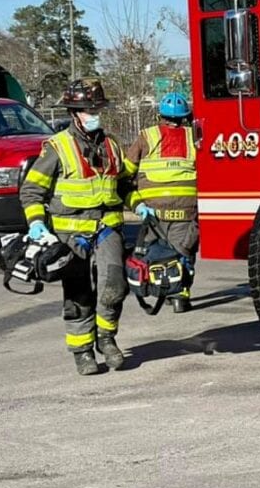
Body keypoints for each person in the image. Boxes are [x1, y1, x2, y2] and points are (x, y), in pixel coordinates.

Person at [20, 78, 130, 375]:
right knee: (77, 293)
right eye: (88, 110)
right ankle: (82, 352)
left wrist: (141, 204)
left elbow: (124, 186)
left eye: (97, 109)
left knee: (115, 286)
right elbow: (32, 190)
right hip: (71, 233)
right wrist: (36, 223)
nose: (94, 115)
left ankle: (106, 338)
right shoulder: (57, 147)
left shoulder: (111, 145)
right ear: (74, 113)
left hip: (107, 228)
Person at [123, 91, 198, 313]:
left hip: (152, 212)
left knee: (154, 254)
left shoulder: (146, 137)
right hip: (186, 210)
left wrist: (135, 202)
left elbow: (126, 172)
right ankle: (180, 296)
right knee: (183, 252)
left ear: (160, 115)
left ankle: (159, 288)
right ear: (185, 116)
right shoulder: (194, 137)